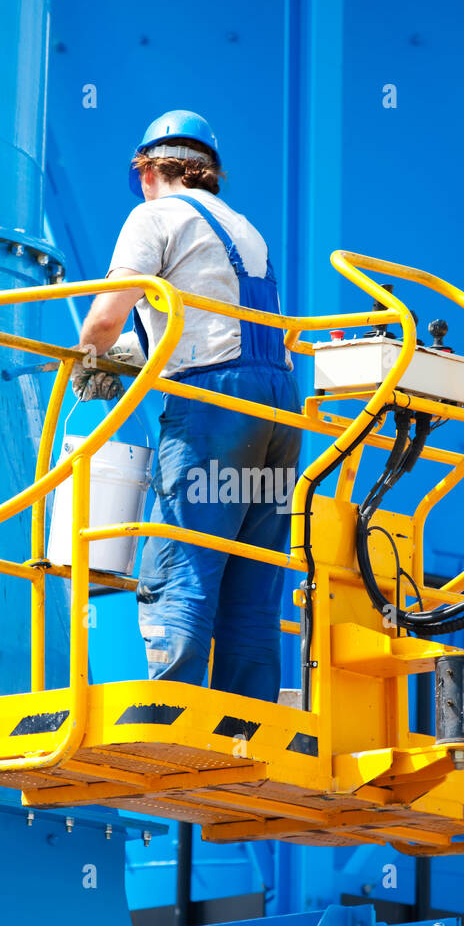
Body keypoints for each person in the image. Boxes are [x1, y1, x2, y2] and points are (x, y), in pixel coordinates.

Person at [72, 110, 301, 703]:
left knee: (184, 558)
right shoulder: (245, 229)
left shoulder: (154, 215)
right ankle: (246, 720)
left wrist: (87, 358)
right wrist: (125, 357)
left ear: (148, 170)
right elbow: (209, 320)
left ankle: (173, 708)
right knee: (252, 572)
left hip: (213, 408)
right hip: (279, 412)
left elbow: (106, 313)